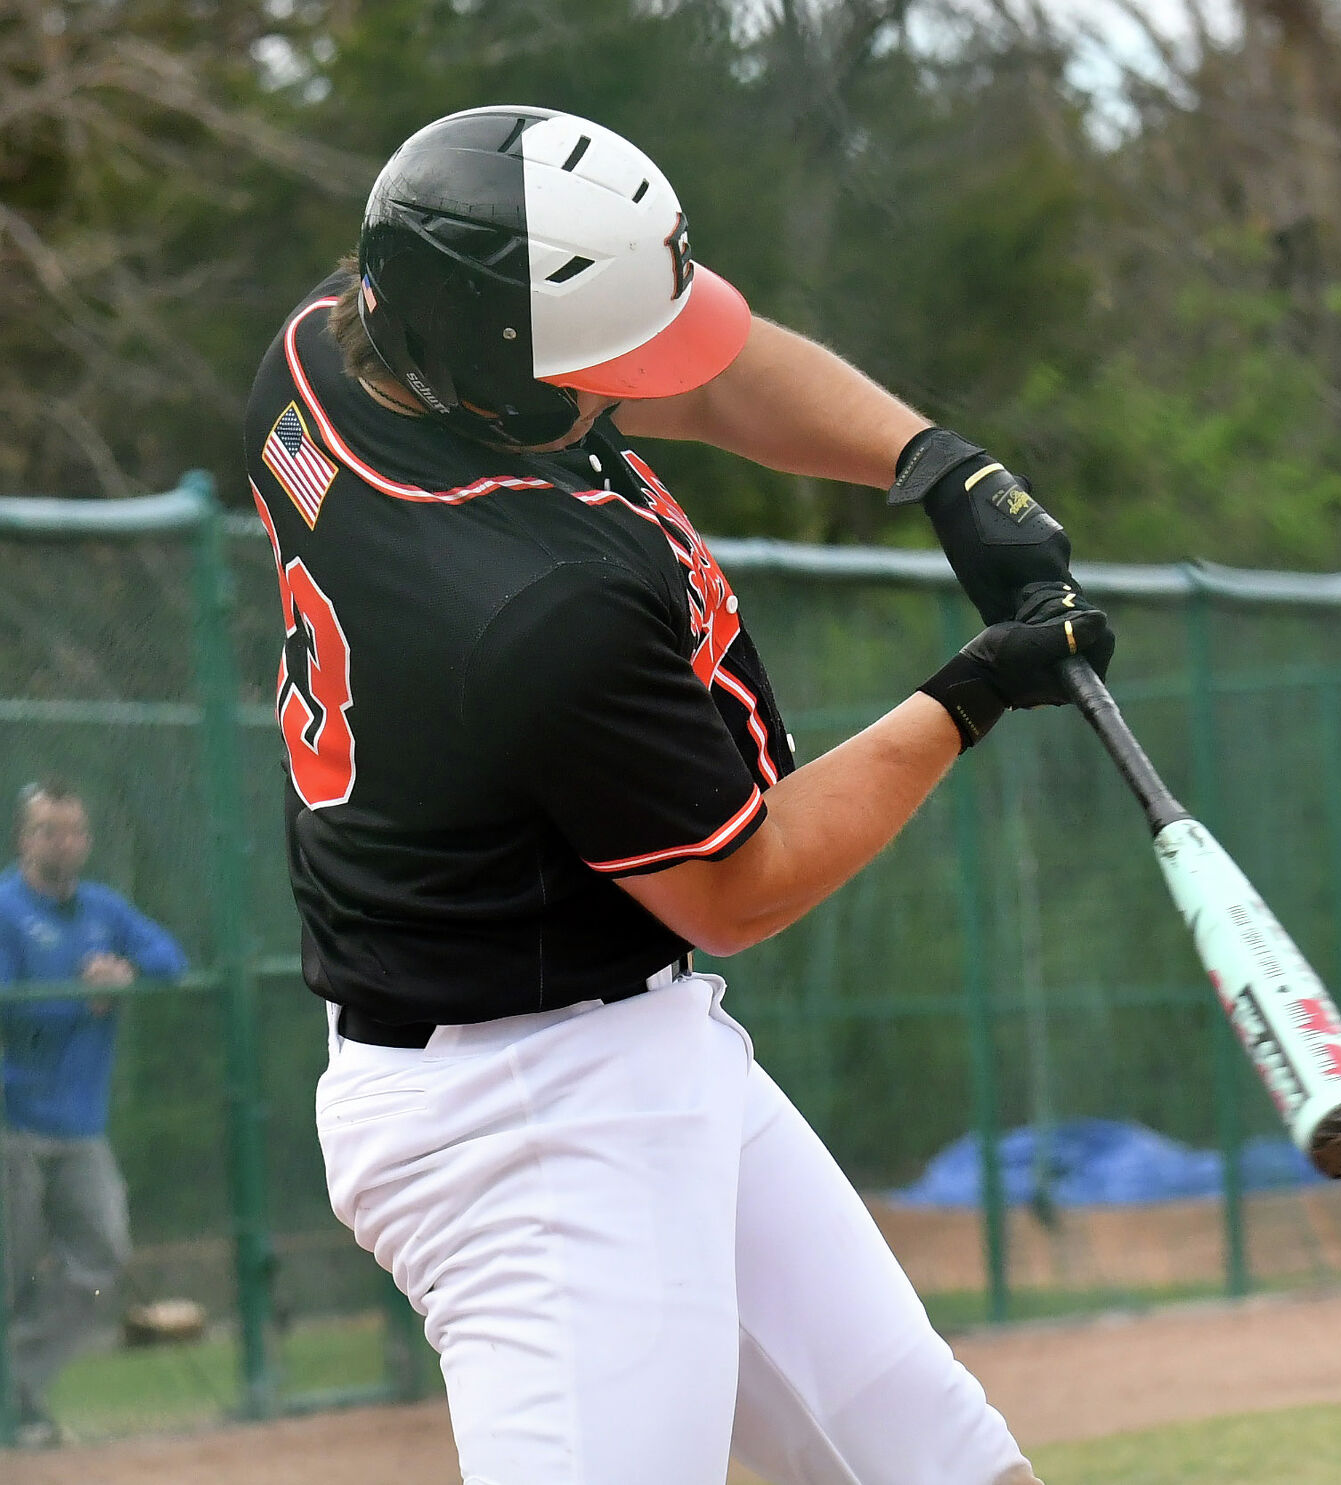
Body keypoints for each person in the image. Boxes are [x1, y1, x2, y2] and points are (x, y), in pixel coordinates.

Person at [245, 106, 1113, 1485]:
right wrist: (974, 691)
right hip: (525, 1118)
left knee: (952, 1468)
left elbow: (700, 377)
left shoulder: (340, 351)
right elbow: (738, 883)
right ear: (503, 379)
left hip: (631, 1036)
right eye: (602, 367)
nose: (649, 383)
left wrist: (932, 463)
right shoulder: (535, 607)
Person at [0, 780, 187, 1445]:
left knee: (103, 1253)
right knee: (9, 1268)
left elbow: (171, 958)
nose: (66, 842)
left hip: (80, 1130)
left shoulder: (103, 908)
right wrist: (84, 996)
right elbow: (10, 1006)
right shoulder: (5, 907)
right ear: (26, 837)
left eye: (76, 830)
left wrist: (125, 973)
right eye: (51, 830)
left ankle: (16, 1386)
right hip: (12, 1123)